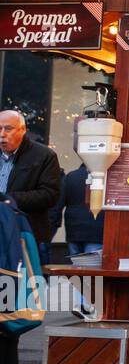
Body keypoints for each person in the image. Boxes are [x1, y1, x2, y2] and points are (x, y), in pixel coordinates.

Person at [0, 110, 62, 266]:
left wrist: (9, 200)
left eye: (8, 129)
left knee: (28, 287)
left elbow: (50, 195)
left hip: (27, 235)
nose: (2, 134)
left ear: (22, 130)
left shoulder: (44, 156)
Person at [50, 161, 104, 258]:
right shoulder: (105, 177)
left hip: (73, 231)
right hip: (97, 232)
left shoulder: (71, 177)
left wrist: (52, 228)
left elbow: (57, 205)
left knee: (76, 266)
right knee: (93, 268)